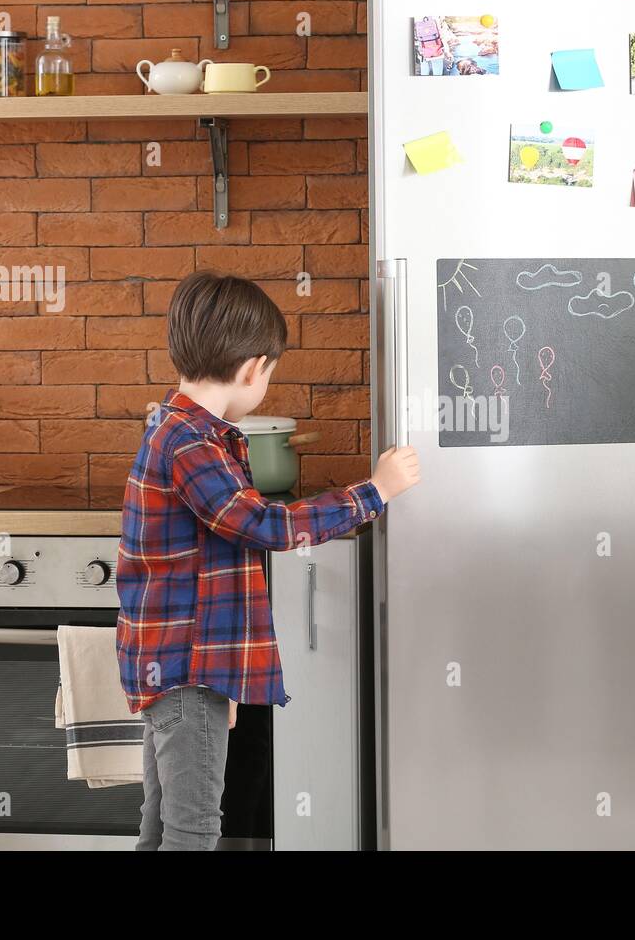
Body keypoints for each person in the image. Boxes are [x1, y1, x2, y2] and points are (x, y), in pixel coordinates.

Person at [116, 271, 420, 850]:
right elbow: (264, 525)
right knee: (194, 829)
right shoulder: (191, 443)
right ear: (254, 368)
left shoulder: (177, 428)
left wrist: (225, 685)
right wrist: (374, 491)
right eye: (270, 374)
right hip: (184, 675)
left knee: (162, 825)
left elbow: (209, 566)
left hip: (180, 670)